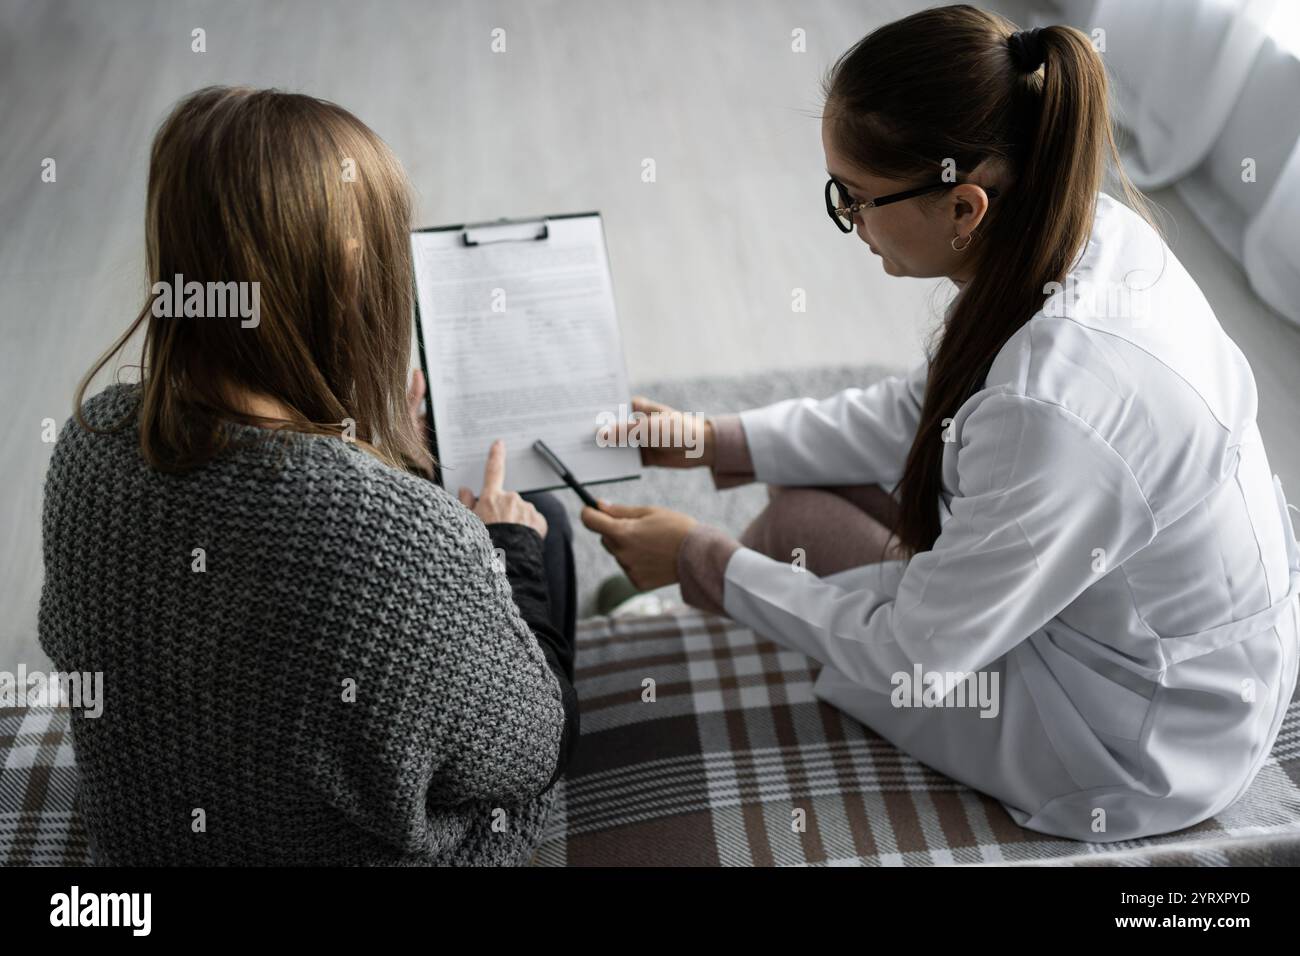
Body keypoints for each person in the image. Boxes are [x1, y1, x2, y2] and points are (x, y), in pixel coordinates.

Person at [582, 5, 1300, 842]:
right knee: (819, 486)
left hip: (1137, 741)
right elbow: (924, 413)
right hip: (1171, 650)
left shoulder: (1055, 410)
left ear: (963, 208)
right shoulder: (1084, 231)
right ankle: (690, 561)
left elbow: (911, 660)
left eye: (854, 200)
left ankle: (652, 593)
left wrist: (700, 559)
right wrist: (713, 440)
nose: (849, 223)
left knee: (794, 522)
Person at [39, 86, 577, 865]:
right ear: (355, 276)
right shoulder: (406, 541)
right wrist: (505, 553)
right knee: (544, 527)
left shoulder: (89, 445)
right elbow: (530, 749)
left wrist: (380, 461)